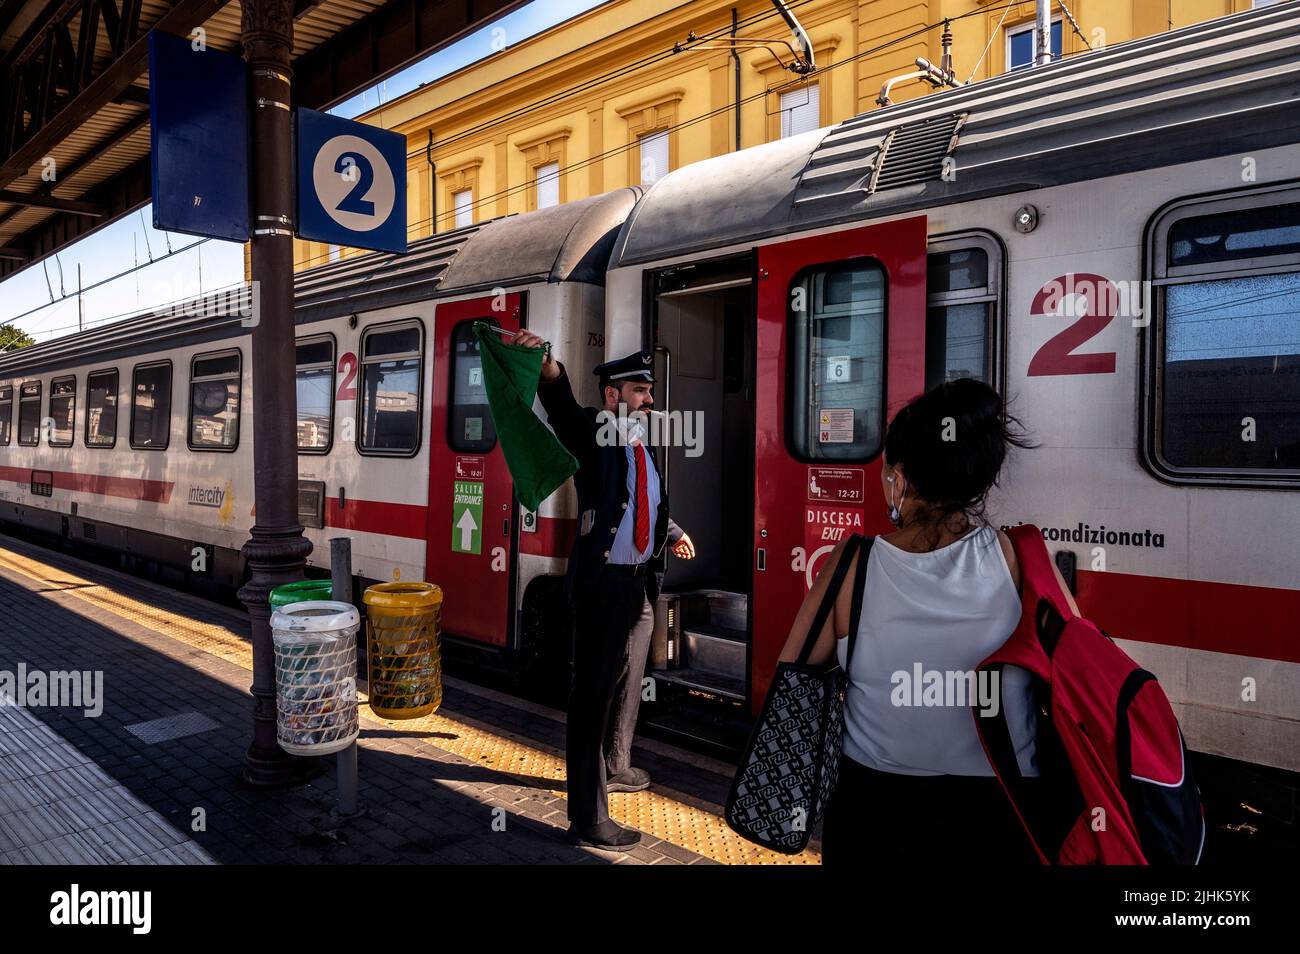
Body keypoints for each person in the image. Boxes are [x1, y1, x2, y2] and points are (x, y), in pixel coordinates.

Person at [777, 378, 1078, 864]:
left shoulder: (852, 563)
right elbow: (1075, 666)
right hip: (1002, 812)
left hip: (876, 812)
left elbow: (792, 670)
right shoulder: (1022, 557)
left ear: (900, 478)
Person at [515, 331, 695, 851]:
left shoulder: (642, 443)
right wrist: (548, 366)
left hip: (639, 585)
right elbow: (563, 409)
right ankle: (589, 817)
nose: (651, 399)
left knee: (630, 677)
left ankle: (616, 763)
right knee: (591, 696)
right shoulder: (596, 433)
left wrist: (674, 532)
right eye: (640, 389)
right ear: (613, 395)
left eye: (650, 390)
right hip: (604, 585)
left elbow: (646, 504)